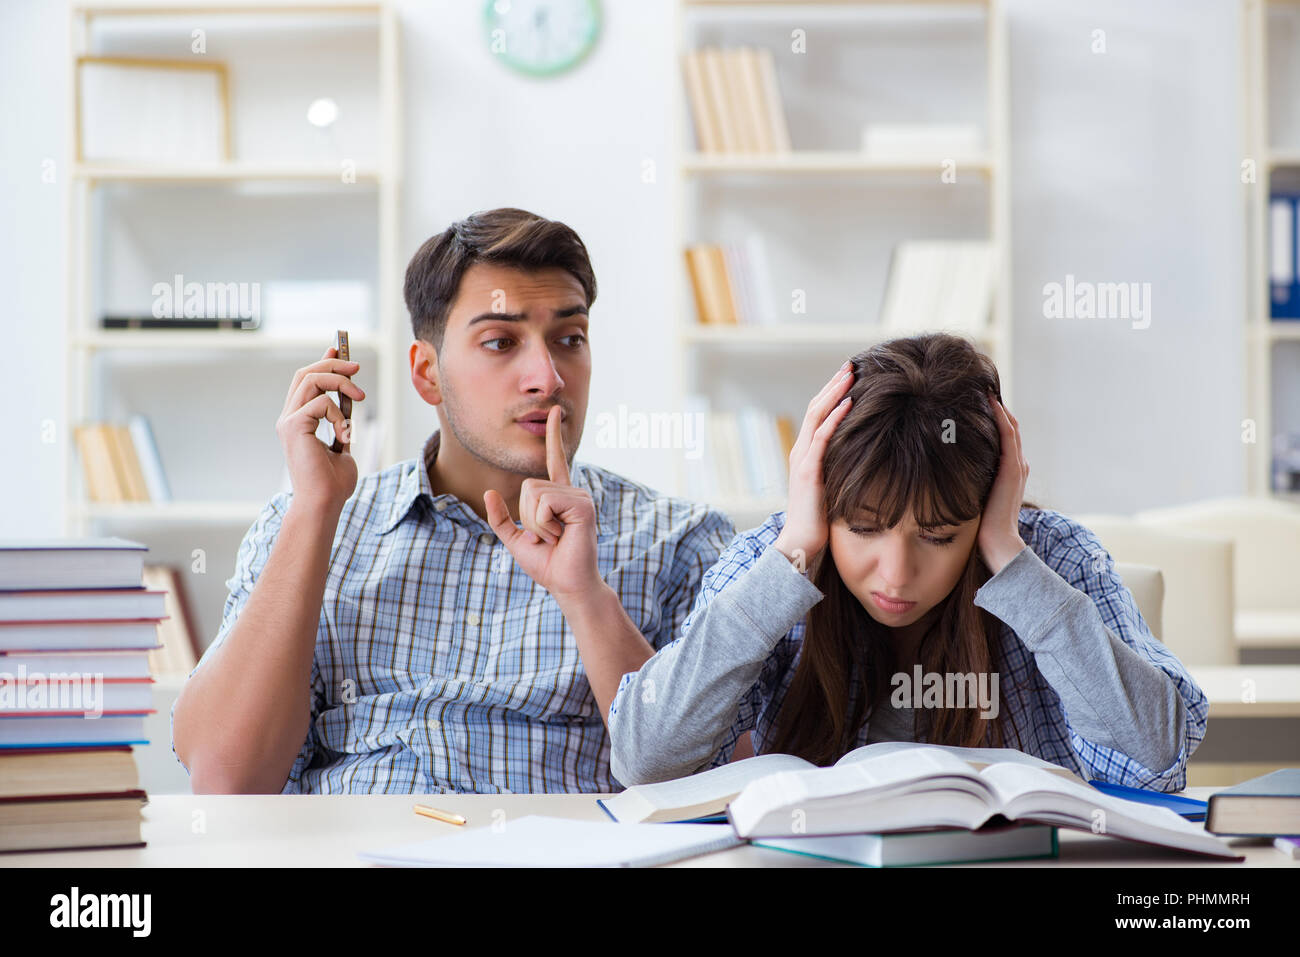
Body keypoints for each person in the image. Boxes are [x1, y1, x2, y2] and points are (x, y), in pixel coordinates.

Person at [172, 207, 735, 793]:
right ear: (427, 374)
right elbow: (226, 778)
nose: (548, 377)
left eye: (570, 339)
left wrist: (586, 596)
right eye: (500, 342)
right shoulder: (310, 524)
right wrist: (314, 508)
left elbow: (712, 783)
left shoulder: (681, 542)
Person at [607, 333, 1208, 792]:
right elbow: (645, 758)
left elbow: (1156, 757)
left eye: (939, 535)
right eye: (863, 528)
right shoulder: (777, 557)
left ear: (990, 504)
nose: (895, 575)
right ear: (818, 495)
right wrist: (790, 558)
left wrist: (1010, 561)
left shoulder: (1050, 555)